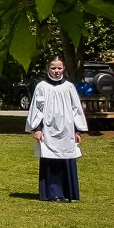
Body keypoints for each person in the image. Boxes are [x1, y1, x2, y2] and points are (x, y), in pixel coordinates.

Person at [27, 57, 86, 202]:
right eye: (53, 68)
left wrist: (77, 130)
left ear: (64, 68)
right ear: (48, 69)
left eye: (59, 68)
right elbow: (37, 108)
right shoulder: (42, 87)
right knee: (51, 160)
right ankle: (53, 193)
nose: (56, 71)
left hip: (67, 129)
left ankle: (67, 193)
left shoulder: (69, 87)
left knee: (66, 159)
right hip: (48, 129)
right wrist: (37, 128)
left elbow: (76, 108)